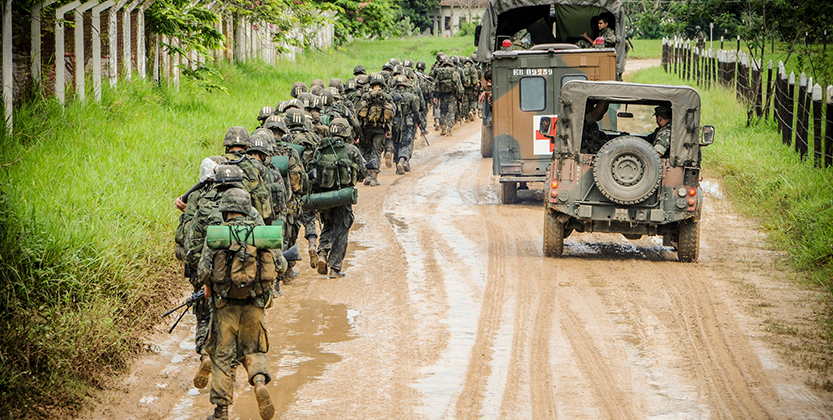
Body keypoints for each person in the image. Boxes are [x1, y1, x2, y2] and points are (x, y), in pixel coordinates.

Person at [198, 188, 277, 420]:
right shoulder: (261, 235)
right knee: (254, 349)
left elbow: (203, 270)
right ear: (246, 210)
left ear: (226, 211)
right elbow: (279, 265)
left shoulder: (217, 235)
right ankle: (259, 383)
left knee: (221, 356)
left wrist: (209, 285)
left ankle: (221, 412)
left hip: (225, 307)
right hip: (254, 305)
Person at [310, 118, 367, 278]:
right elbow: (363, 172)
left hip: (324, 197)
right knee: (341, 229)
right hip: (343, 197)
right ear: (346, 132)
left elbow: (312, 171)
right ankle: (334, 268)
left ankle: (322, 253)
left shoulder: (320, 149)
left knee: (327, 225)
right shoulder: (351, 150)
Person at [356, 74, 395, 186]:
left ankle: (367, 175)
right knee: (376, 152)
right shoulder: (387, 97)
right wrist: (388, 129)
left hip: (366, 129)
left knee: (367, 151)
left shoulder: (366, 96)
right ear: (382, 85)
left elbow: (359, 113)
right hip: (380, 129)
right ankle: (373, 177)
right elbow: (392, 114)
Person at [390, 75, 424, 175]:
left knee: (396, 143)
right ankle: (402, 160)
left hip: (394, 124)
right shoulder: (411, 96)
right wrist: (419, 121)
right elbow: (416, 111)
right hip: (407, 123)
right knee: (405, 144)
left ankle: (397, 165)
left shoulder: (391, 95)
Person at [432, 58, 463, 136]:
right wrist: (459, 97)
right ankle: (449, 128)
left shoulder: (440, 73)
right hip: (452, 96)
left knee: (443, 112)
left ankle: (443, 128)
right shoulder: (455, 73)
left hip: (442, 96)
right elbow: (459, 86)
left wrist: (435, 96)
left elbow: (436, 85)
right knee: (451, 112)